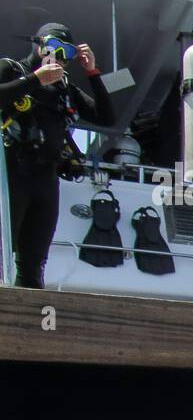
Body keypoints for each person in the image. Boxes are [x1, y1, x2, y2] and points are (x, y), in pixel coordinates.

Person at [0, 24, 114, 288]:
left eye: (67, 52)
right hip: (12, 174)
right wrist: (36, 80)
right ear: (38, 46)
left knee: (33, 262)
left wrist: (92, 72)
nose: (59, 57)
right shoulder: (12, 69)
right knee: (3, 250)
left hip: (46, 179)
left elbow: (106, 117)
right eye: (54, 48)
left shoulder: (65, 90)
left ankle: (26, 324)